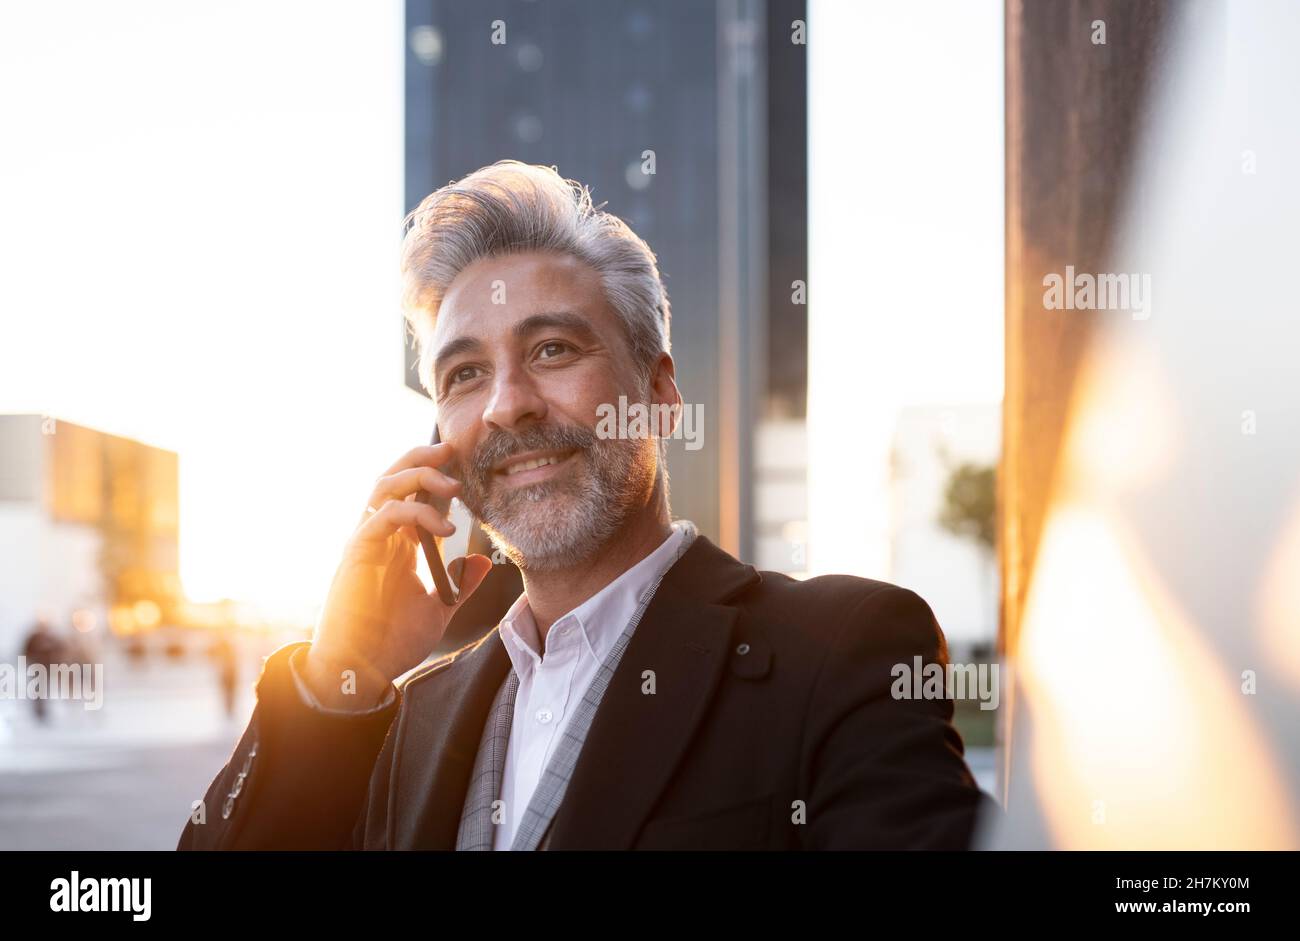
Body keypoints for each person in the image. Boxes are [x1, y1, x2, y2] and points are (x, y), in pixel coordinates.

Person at [178, 161, 995, 850]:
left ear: (662, 392)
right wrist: (337, 676)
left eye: (552, 349)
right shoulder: (412, 712)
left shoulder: (840, 652)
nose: (507, 405)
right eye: (463, 374)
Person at [22, 617, 63, 725]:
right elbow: (26, 650)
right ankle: (37, 711)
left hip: (47, 668)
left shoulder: (52, 638)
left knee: (46, 690)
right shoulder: (33, 637)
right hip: (35, 668)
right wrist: (31, 658)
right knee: (36, 690)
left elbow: (59, 650)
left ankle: (45, 711)